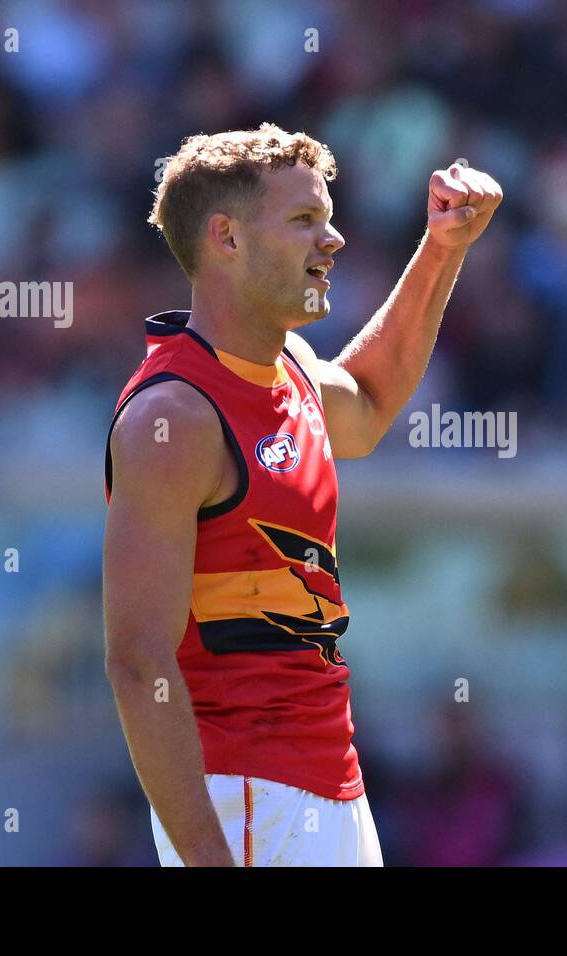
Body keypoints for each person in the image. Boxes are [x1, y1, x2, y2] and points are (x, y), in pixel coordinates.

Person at [101, 124, 502, 866]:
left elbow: (373, 400)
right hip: (250, 799)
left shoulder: (289, 370)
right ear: (225, 237)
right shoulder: (175, 418)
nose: (335, 239)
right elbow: (136, 661)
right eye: (304, 220)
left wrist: (444, 248)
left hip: (327, 784)